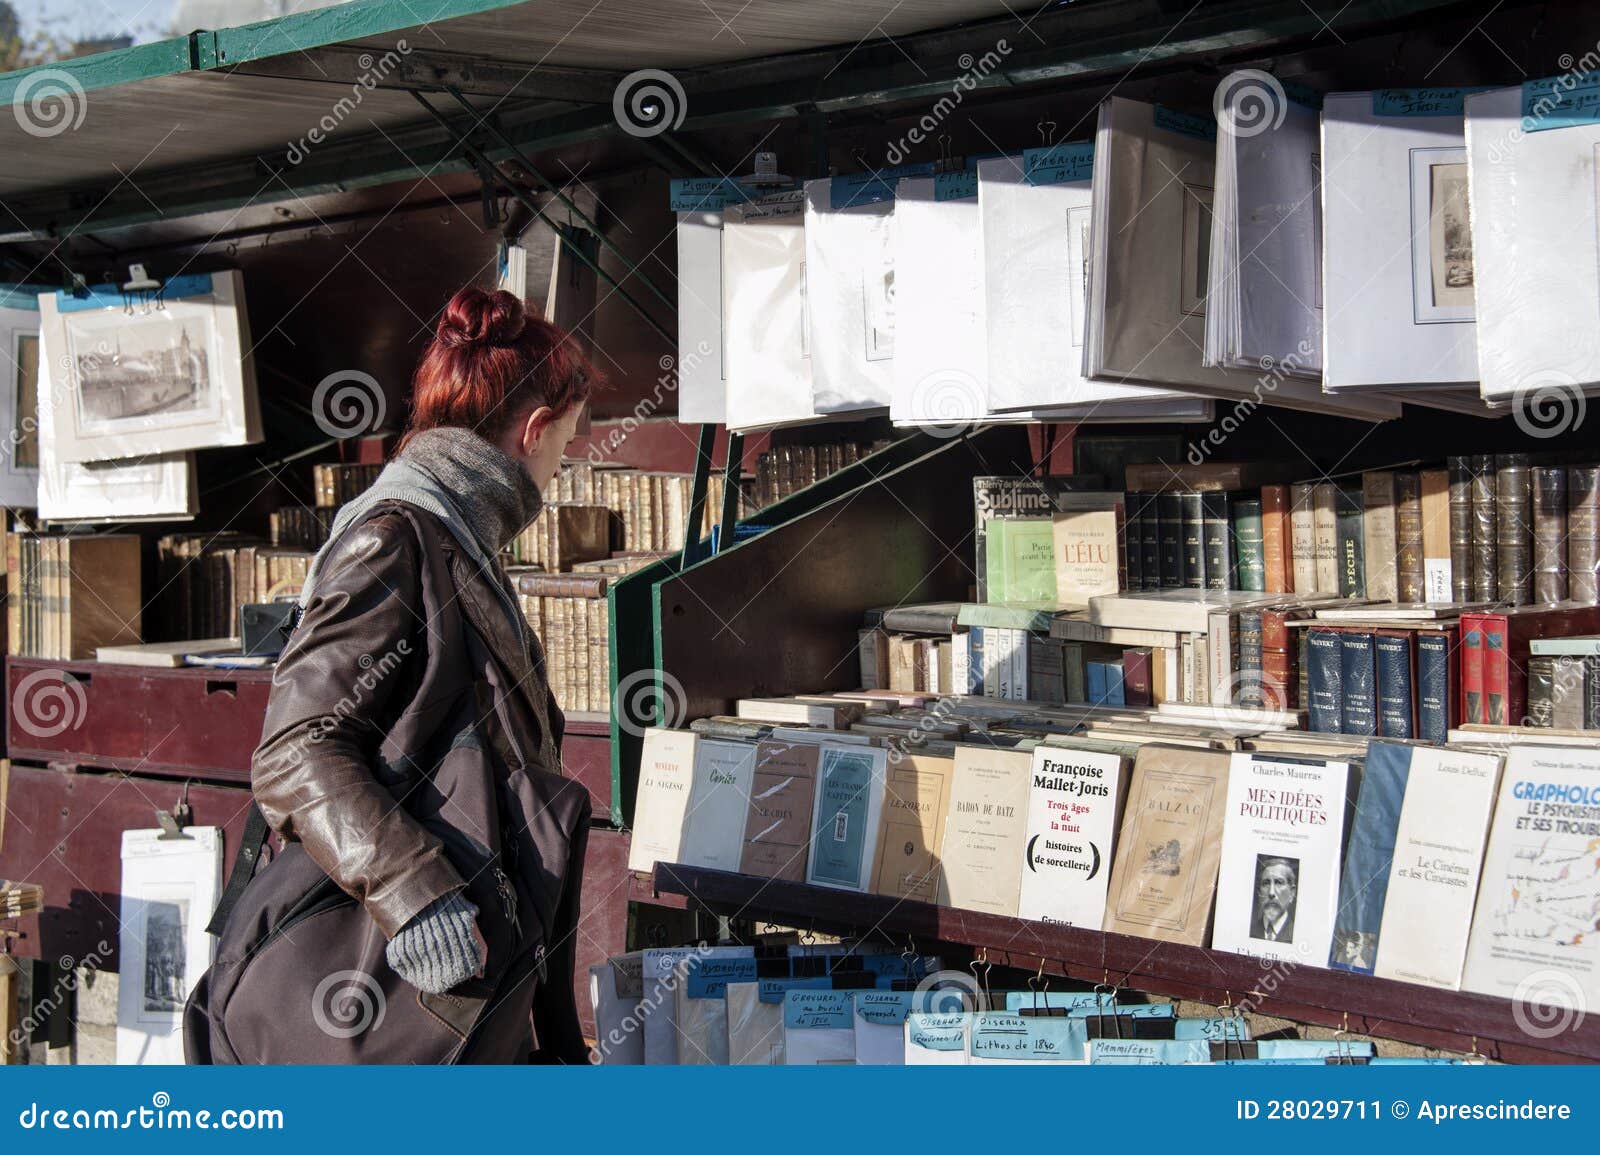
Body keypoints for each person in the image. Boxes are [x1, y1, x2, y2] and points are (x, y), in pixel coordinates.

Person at [186, 287, 598, 1064]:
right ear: (534, 430)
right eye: (566, 445)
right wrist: (416, 893)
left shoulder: (452, 532)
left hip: (459, 988)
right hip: (403, 982)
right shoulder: (395, 536)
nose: (562, 467)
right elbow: (295, 749)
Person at [1249, 856, 1298, 943]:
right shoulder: (1249, 931)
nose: (1271, 893)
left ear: (1292, 893)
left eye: (1279, 882)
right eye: (1266, 883)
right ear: (1259, 892)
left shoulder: (1298, 935)